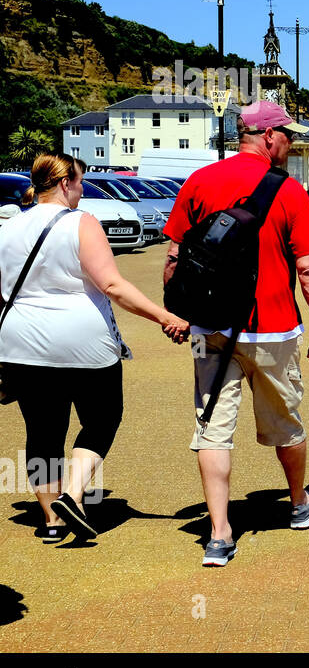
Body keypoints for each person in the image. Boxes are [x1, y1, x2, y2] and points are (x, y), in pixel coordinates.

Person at [163, 101, 309, 567]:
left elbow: (175, 257)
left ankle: (219, 535)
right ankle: (299, 505)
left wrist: (178, 314)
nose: (291, 145)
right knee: (286, 421)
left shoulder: (200, 181)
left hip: (210, 328)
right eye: (288, 137)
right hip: (273, 329)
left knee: (212, 430)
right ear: (270, 136)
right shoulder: (290, 191)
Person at [0, 153, 189, 542]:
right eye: (81, 183)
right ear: (66, 183)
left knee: (41, 431)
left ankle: (52, 521)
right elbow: (114, 286)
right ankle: (73, 491)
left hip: (21, 345)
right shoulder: (81, 223)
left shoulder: (8, 227)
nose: (83, 191)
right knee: (103, 418)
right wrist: (164, 317)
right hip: (83, 343)